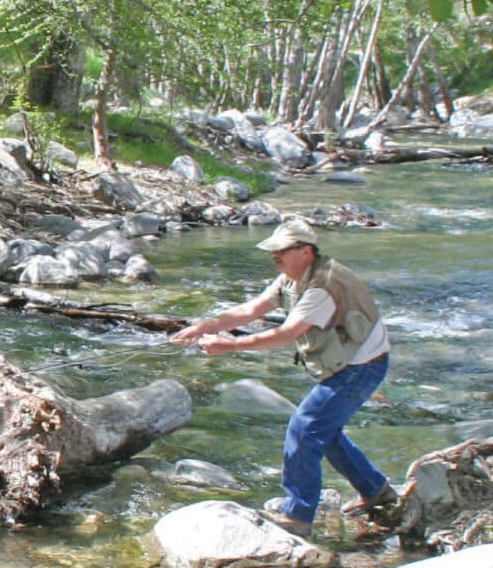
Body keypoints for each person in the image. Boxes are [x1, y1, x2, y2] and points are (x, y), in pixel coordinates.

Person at [170, 217, 397, 538]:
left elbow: (286, 334)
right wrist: (205, 326)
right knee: (325, 431)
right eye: (273, 250)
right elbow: (252, 309)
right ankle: (375, 491)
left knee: (303, 428)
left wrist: (231, 345)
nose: (275, 256)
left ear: (305, 251)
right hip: (349, 363)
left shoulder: (323, 287)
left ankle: (298, 513)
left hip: (362, 365)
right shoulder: (290, 278)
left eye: (282, 250)